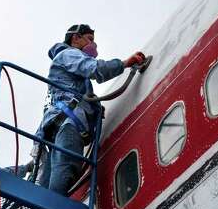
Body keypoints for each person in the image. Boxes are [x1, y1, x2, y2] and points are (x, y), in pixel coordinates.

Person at [38, 23, 145, 196]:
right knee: (64, 175)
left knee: (47, 188)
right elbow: (95, 69)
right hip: (68, 123)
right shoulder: (69, 54)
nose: (93, 45)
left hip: (56, 124)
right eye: (89, 39)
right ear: (75, 38)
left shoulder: (65, 67)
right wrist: (125, 63)